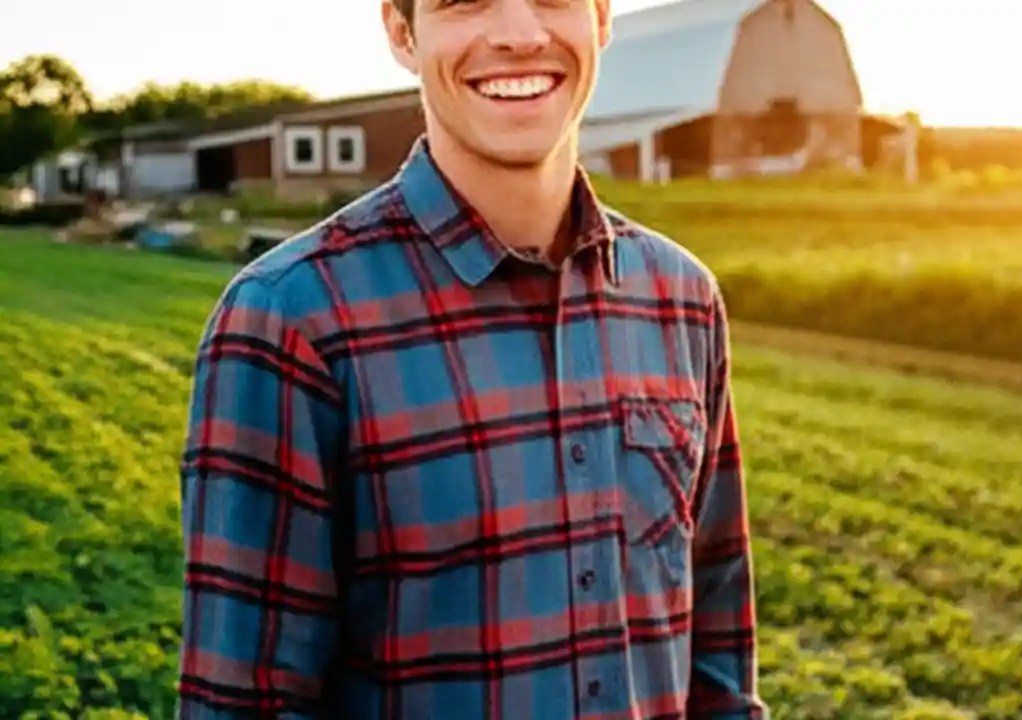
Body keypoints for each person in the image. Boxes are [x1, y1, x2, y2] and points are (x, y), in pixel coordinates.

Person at [176, 0, 765, 717]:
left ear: (602, 18)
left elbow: (719, 659)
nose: (520, 34)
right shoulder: (290, 319)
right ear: (402, 31)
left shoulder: (681, 298)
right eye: (466, 0)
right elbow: (247, 704)